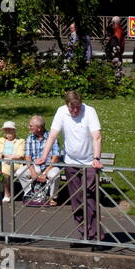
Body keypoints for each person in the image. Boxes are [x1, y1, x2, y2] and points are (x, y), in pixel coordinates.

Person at [39, 91, 105, 243]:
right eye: (72, 108)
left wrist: (96, 158)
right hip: (71, 162)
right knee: (76, 201)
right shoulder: (61, 112)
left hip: (89, 163)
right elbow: (52, 136)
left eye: (77, 107)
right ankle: (83, 235)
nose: (75, 111)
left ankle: (96, 237)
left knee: (90, 200)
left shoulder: (89, 111)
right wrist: (44, 156)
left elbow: (97, 137)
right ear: (66, 105)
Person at [19, 115, 64, 206]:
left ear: (39, 128)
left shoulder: (52, 138)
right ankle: (31, 194)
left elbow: (55, 157)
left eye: (31, 126)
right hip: (36, 166)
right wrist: (33, 172)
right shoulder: (30, 138)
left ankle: (52, 197)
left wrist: (44, 173)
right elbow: (27, 157)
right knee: (20, 173)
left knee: (55, 175)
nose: (29, 127)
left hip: (51, 166)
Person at [0, 121, 27, 204]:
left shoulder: (20, 141)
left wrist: (4, 156)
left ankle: (7, 193)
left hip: (14, 162)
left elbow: (20, 155)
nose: (8, 132)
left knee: (4, 170)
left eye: (10, 130)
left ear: (14, 131)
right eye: (6, 130)